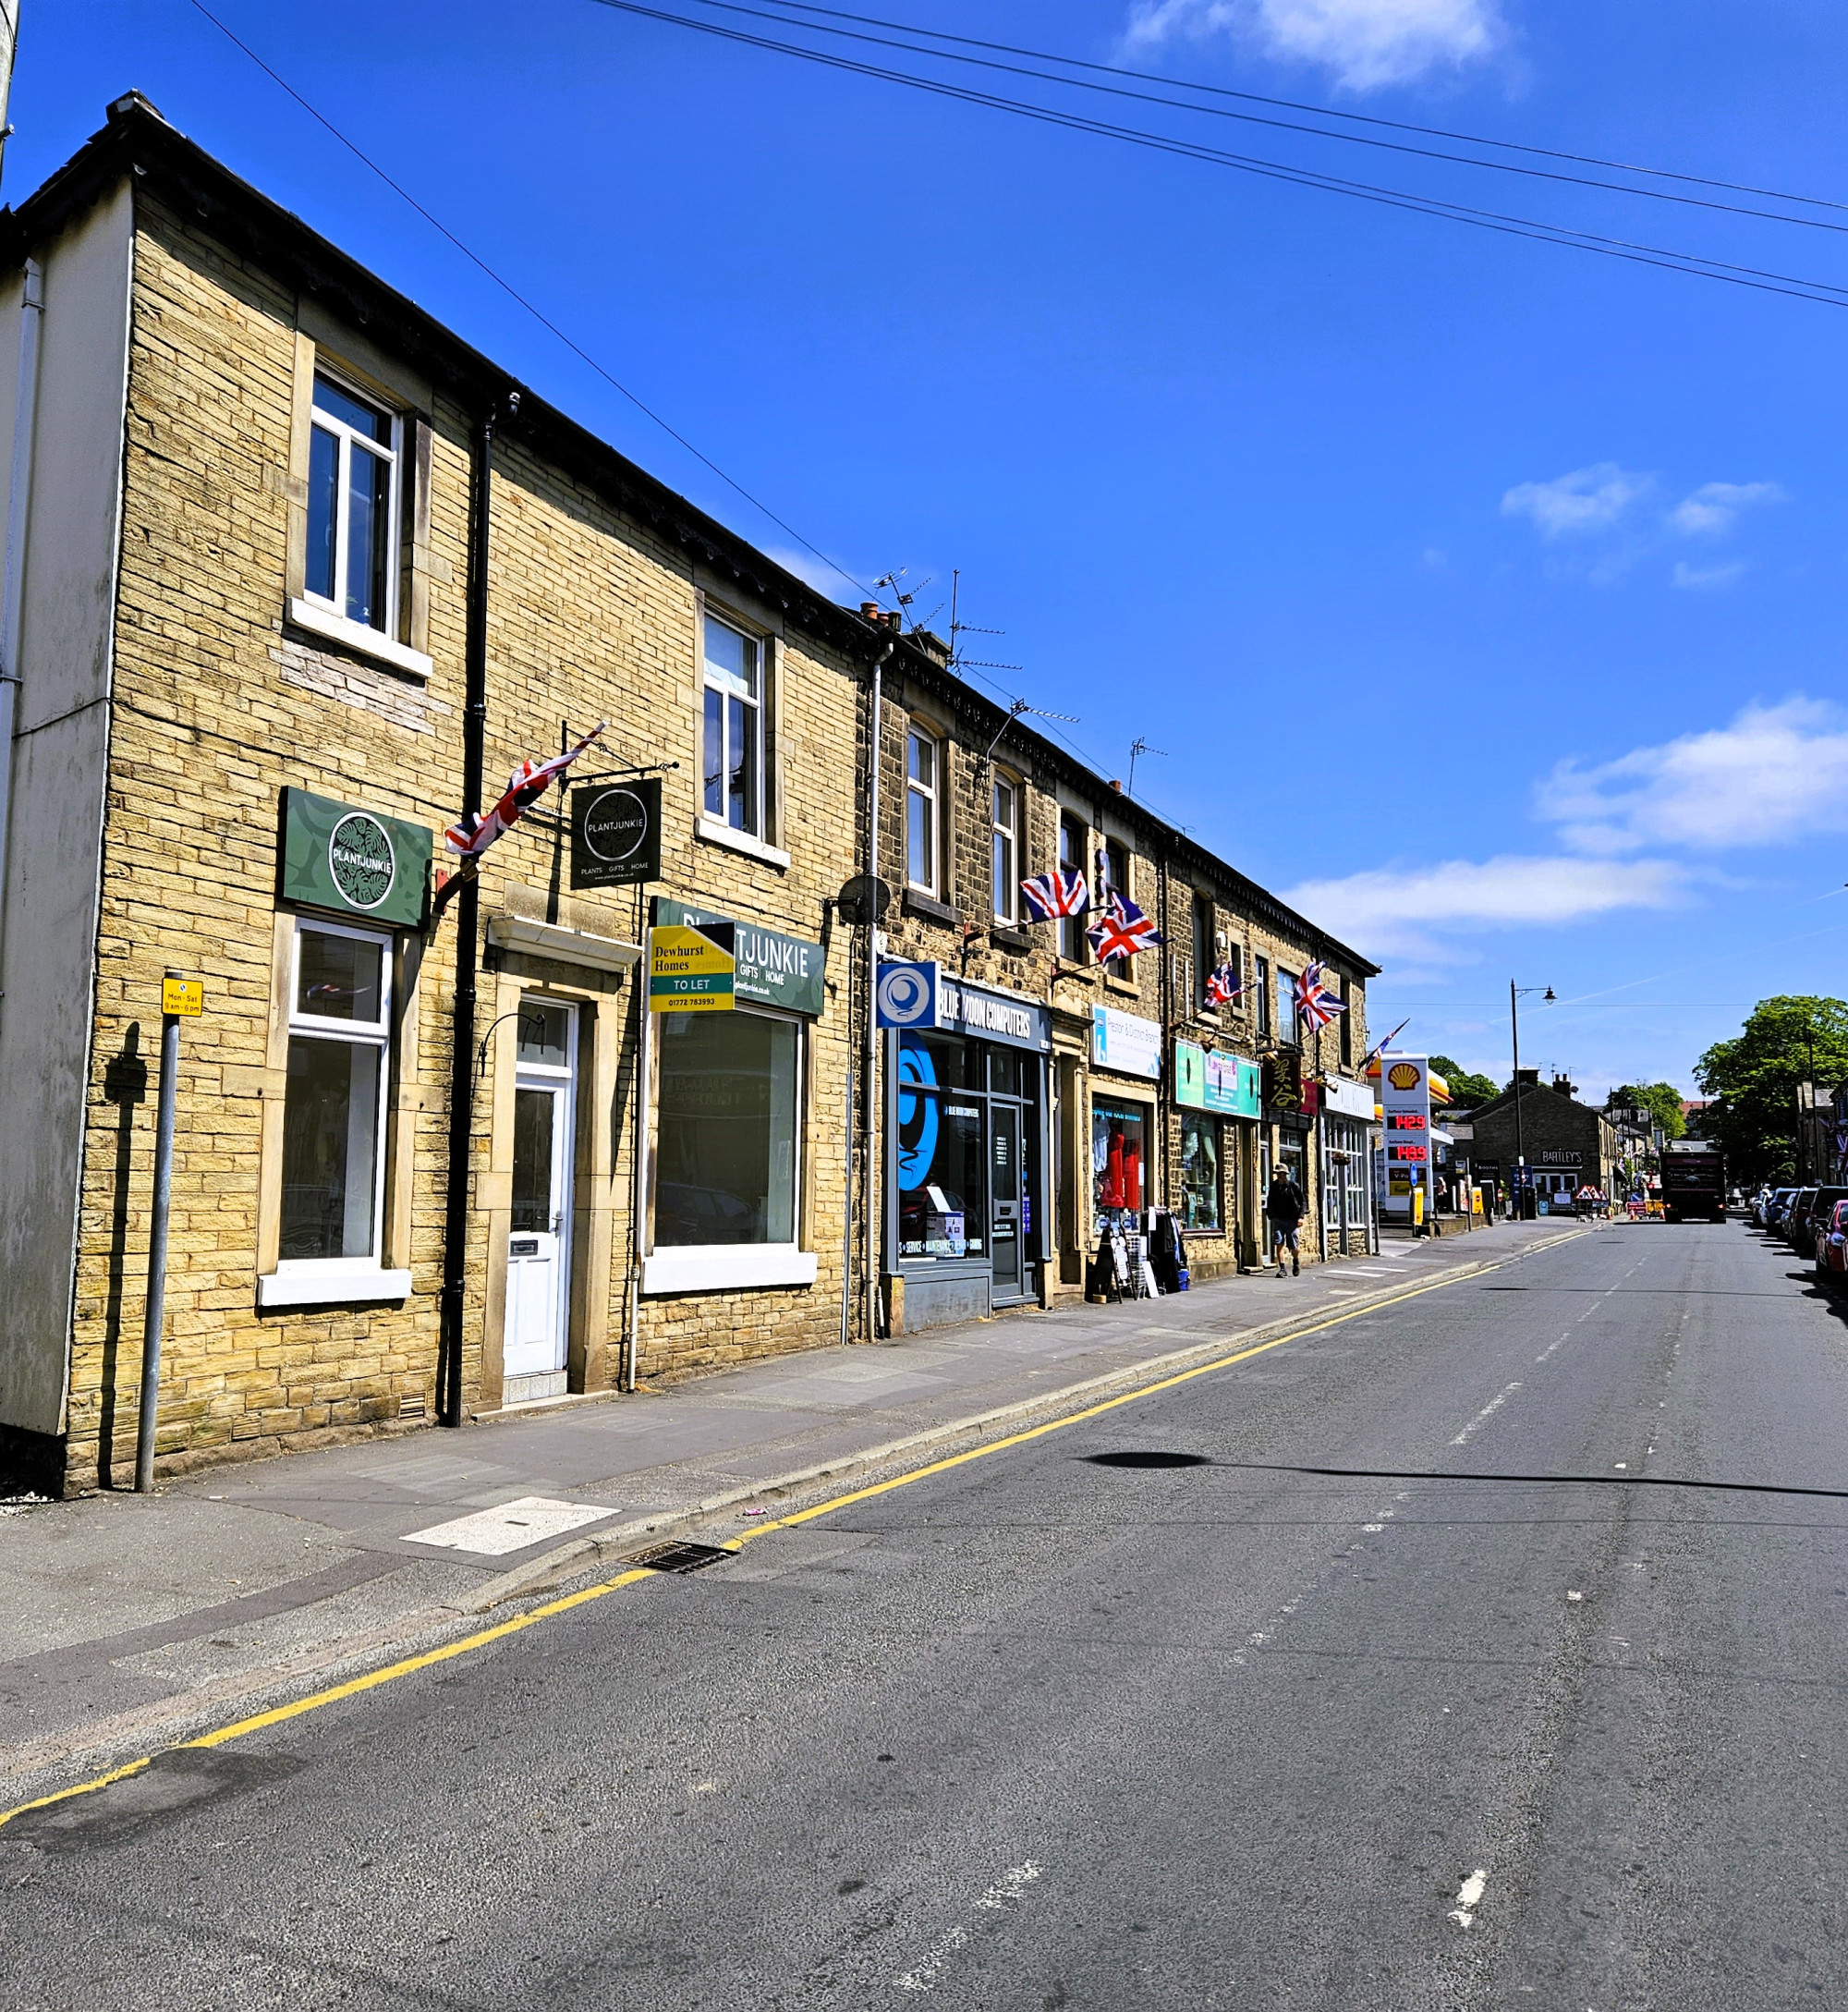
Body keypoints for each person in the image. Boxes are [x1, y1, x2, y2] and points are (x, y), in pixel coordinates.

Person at [1266, 1166, 1307, 1277]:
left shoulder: (1293, 1186)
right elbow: (1270, 1200)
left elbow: (1303, 1202)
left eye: (1281, 1173)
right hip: (1278, 1219)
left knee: (1294, 1246)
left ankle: (1296, 1261)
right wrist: (1271, 1215)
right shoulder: (1274, 1186)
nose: (1279, 1175)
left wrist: (1300, 1217)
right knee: (1279, 1243)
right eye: (1277, 1173)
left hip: (1291, 1220)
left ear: (1285, 1174)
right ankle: (1282, 1269)